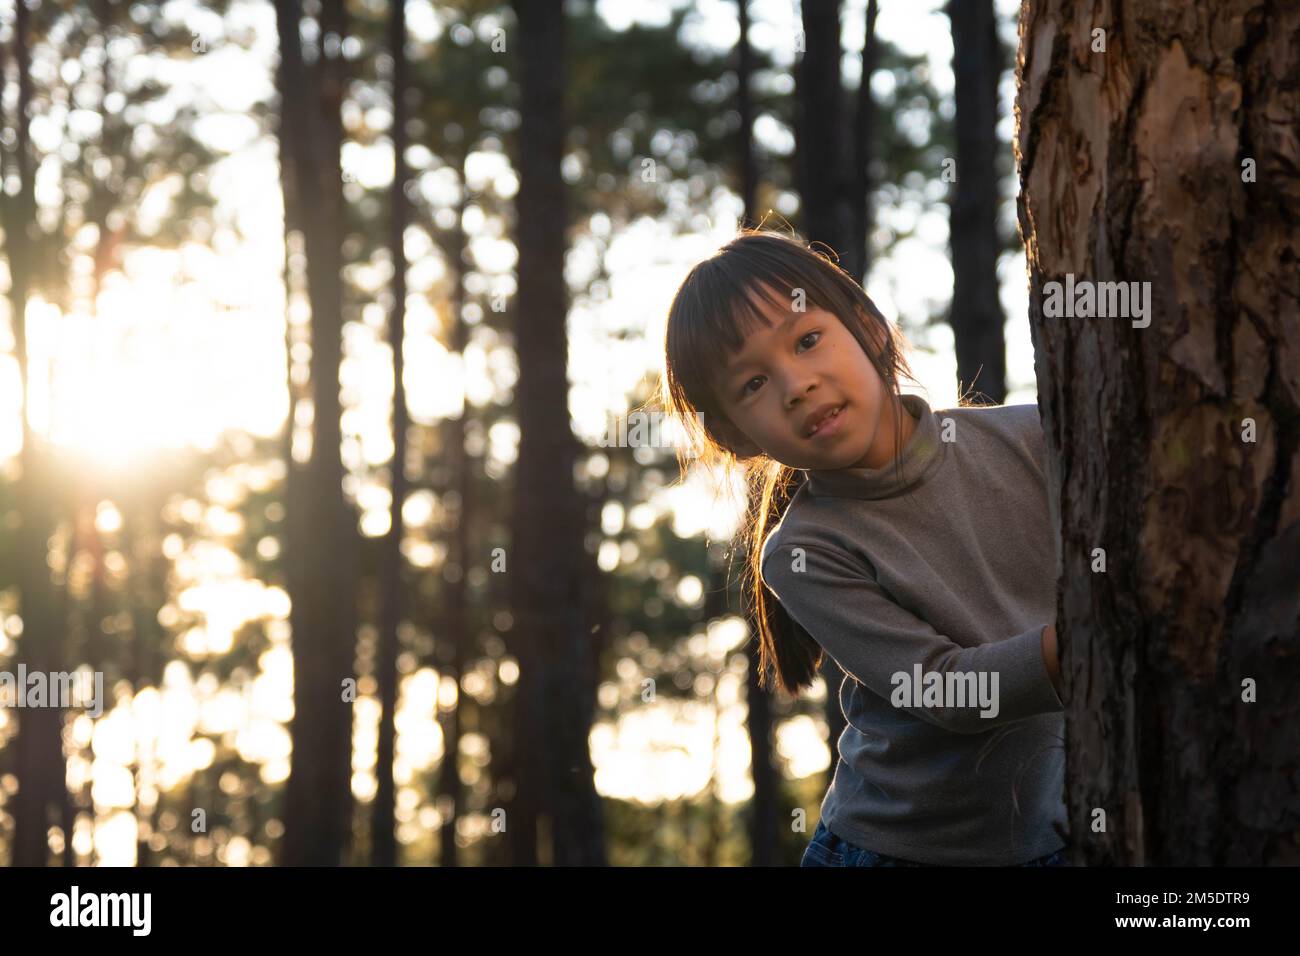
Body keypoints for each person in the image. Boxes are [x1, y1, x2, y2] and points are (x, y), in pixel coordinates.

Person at [659, 227, 1069, 867]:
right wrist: (1086, 647)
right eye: (752, 385)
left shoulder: (1033, 439)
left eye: (808, 340)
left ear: (870, 329)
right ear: (737, 436)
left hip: (1050, 841)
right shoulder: (806, 550)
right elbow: (939, 690)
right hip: (893, 851)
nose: (796, 384)